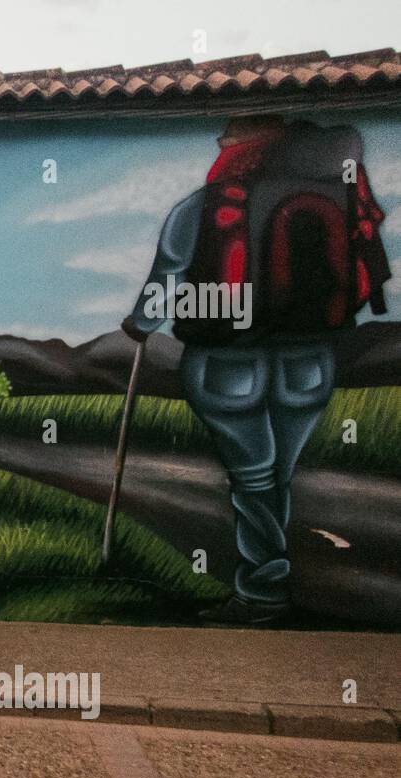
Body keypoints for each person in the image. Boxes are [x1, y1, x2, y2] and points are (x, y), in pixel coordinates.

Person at [122, 116, 391, 626]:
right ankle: (271, 580)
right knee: (277, 479)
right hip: (309, 360)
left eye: (227, 141)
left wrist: (139, 326)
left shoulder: (204, 206)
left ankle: (263, 593)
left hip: (227, 361)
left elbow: (166, 277)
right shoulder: (334, 198)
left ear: (245, 149)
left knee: (252, 480)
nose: (219, 149)